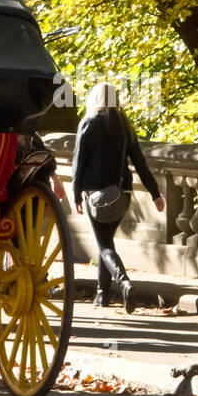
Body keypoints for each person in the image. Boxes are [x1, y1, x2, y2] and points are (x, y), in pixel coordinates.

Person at [72, 81, 164, 311]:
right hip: (123, 195)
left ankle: (123, 283)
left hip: (96, 196)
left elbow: (78, 162)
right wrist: (155, 194)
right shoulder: (124, 125)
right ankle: (102, 295)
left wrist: (75, 195)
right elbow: (140, 163)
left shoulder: (89, 122)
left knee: (103, 246)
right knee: (107, 242)